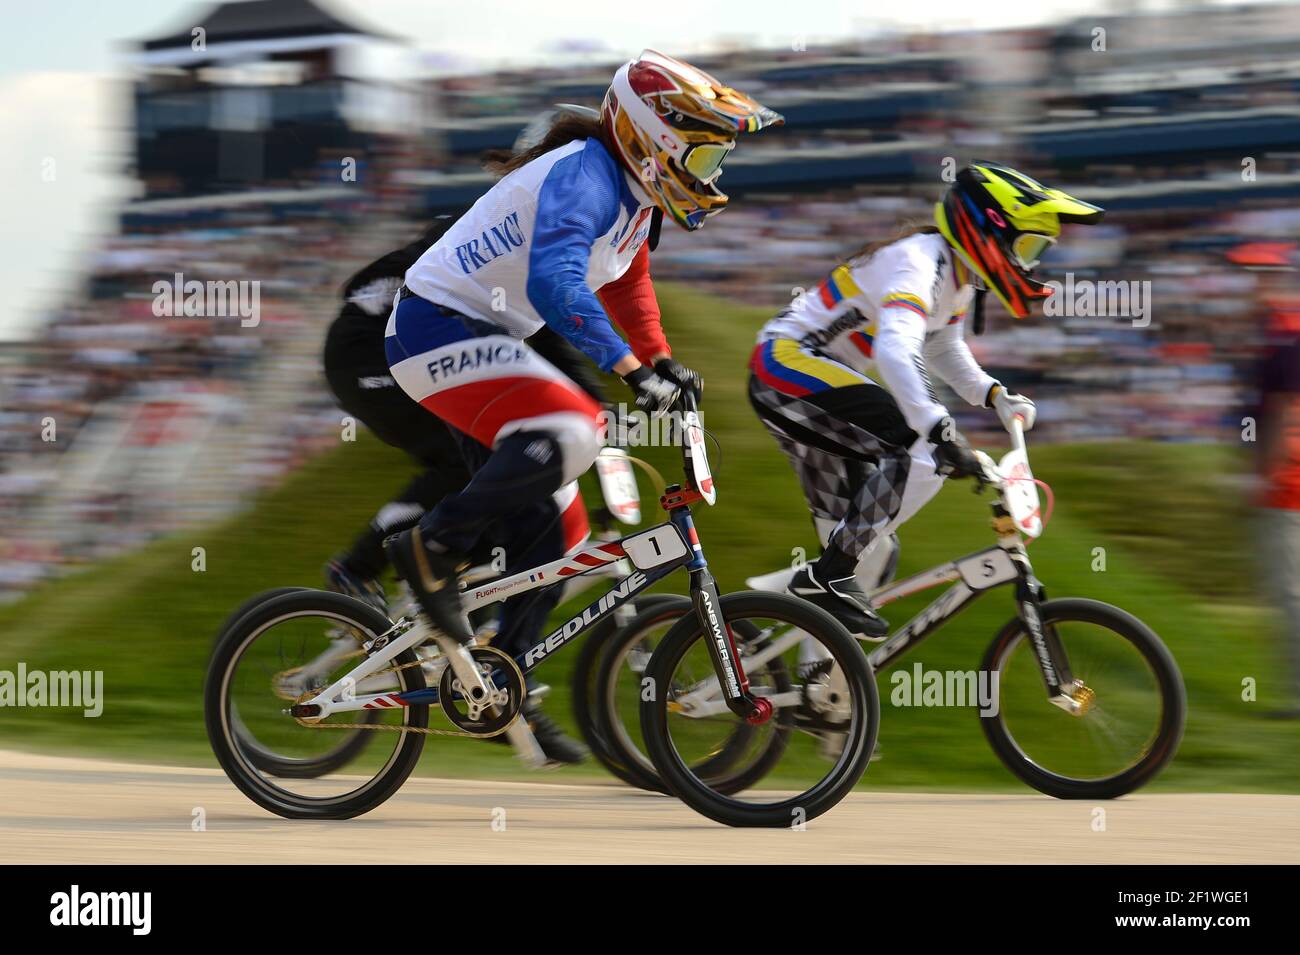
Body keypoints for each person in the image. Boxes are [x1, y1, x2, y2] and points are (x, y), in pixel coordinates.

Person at [381, 51, 782, 656]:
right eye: (704, 157)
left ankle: (505, 677)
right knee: (576, 429)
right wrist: (628, 372)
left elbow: (625, 283)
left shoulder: (635, 195)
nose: (712, 175)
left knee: (564, 536)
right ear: (655, 142)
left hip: (481, 335)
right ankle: (429, 545)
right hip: (433, 326)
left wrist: (658, 360)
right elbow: (556, 284)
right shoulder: (586, 176)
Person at [320, 112, 615, 763]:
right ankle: (367, 562)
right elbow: (546, 336)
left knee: (536, 513)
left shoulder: (558, 215)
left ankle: (510, 687)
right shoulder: (507, 215)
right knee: (475, 459)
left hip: (408, 343)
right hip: (370, 348)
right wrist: (594, 401)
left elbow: (537, 333)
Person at [748, 161, 1104, 636]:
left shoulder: (954, 274)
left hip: (804, 380)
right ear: (988, 231)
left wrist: (992, 394)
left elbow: (940, 346)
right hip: (784, 365)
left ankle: (814, 682)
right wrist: (939, 428)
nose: (1031, 264)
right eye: (1027, 247)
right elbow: (896, 349)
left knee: (873, 551)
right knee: (918, 452)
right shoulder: (920, 261)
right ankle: (825, 577)